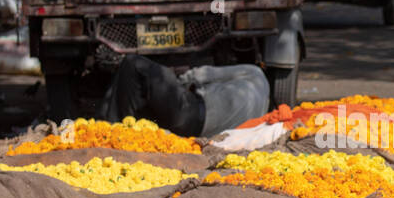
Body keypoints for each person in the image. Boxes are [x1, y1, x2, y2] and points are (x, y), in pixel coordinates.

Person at [98, 56, 271, 137]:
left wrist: (178, 78)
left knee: (133, 63)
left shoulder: (254, 73)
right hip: (193, 131)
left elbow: (202, 75)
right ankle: (125, 126)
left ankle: (112, 129)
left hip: (189, 110)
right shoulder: (261, 109)